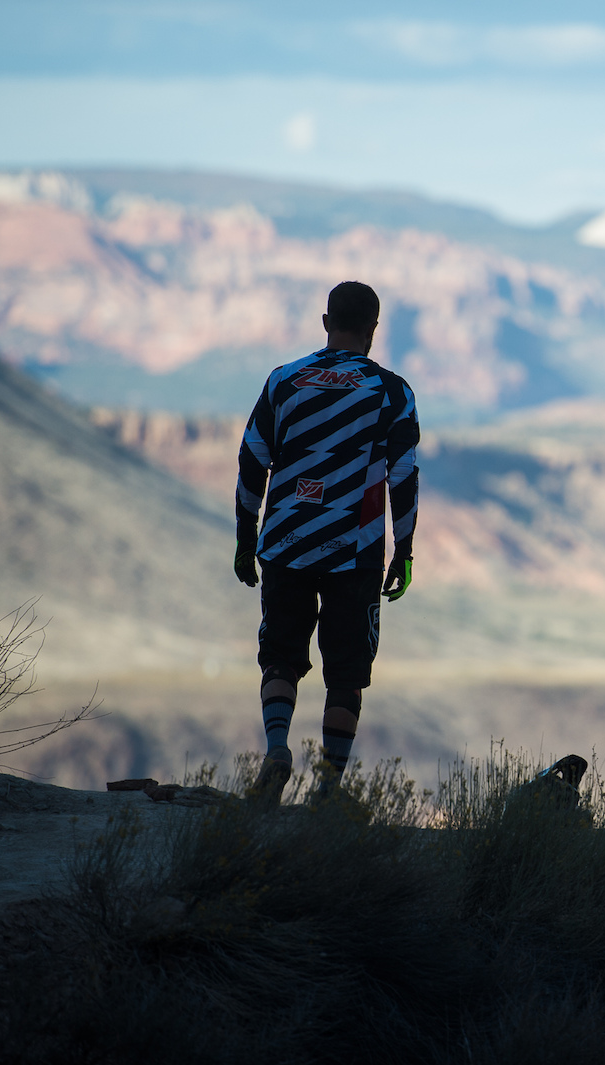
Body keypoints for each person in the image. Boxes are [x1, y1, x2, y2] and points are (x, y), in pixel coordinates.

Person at [234, 281, 419, 803]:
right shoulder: (391, 391)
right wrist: (404, 551)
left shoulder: (283, 382)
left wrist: (245, 540)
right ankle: (329, 787)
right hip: (353, 551)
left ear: (324, 321)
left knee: (280, 656)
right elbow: (403, 474)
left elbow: (251, 461)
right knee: (346, 672)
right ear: (373, 329)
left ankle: (276, 750)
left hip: (284, 544)